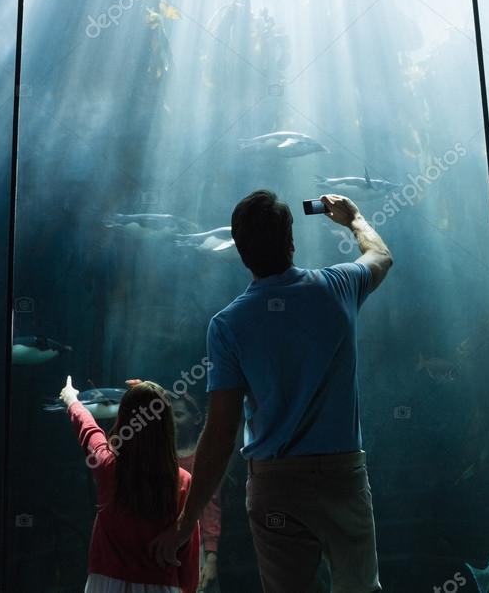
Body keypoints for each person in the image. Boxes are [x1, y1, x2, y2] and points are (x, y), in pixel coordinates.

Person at [151, 190, 393, 593]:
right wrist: (354, 219)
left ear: (242, 253)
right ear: (291, 241)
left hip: (275, 484)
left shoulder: (228, 325)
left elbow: (222, 432)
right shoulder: (338, 287)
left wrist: (185, 524)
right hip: (342, 476)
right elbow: (381, 256)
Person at [60, 376, 200, 593]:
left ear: (124, 420)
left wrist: (72, 400)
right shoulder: (182, 481)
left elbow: (89, 430)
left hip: (105, 583)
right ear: (168, 425)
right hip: (161, 586)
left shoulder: (107, 467)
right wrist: (189, 588)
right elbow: (187, 550)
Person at [171, 392, 224, 591]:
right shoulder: (162, 455)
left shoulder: (203, 459)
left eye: (179, 414)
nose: (173, 421)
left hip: (196, 547)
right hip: (166, 544)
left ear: (197, 418)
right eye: (170, 416)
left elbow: (211, 506)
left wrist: (211, 558)